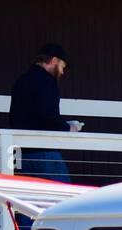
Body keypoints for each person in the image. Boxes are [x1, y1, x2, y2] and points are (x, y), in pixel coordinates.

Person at [9, 43, 80, 184]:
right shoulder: (47, 81)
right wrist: (68, 128)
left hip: (21, 153)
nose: (62, 72)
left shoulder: (21, 81)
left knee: (28, 201)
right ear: (53, 60)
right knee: (64, 195)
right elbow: (47, 115)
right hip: (43, 152)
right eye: (62, 66)